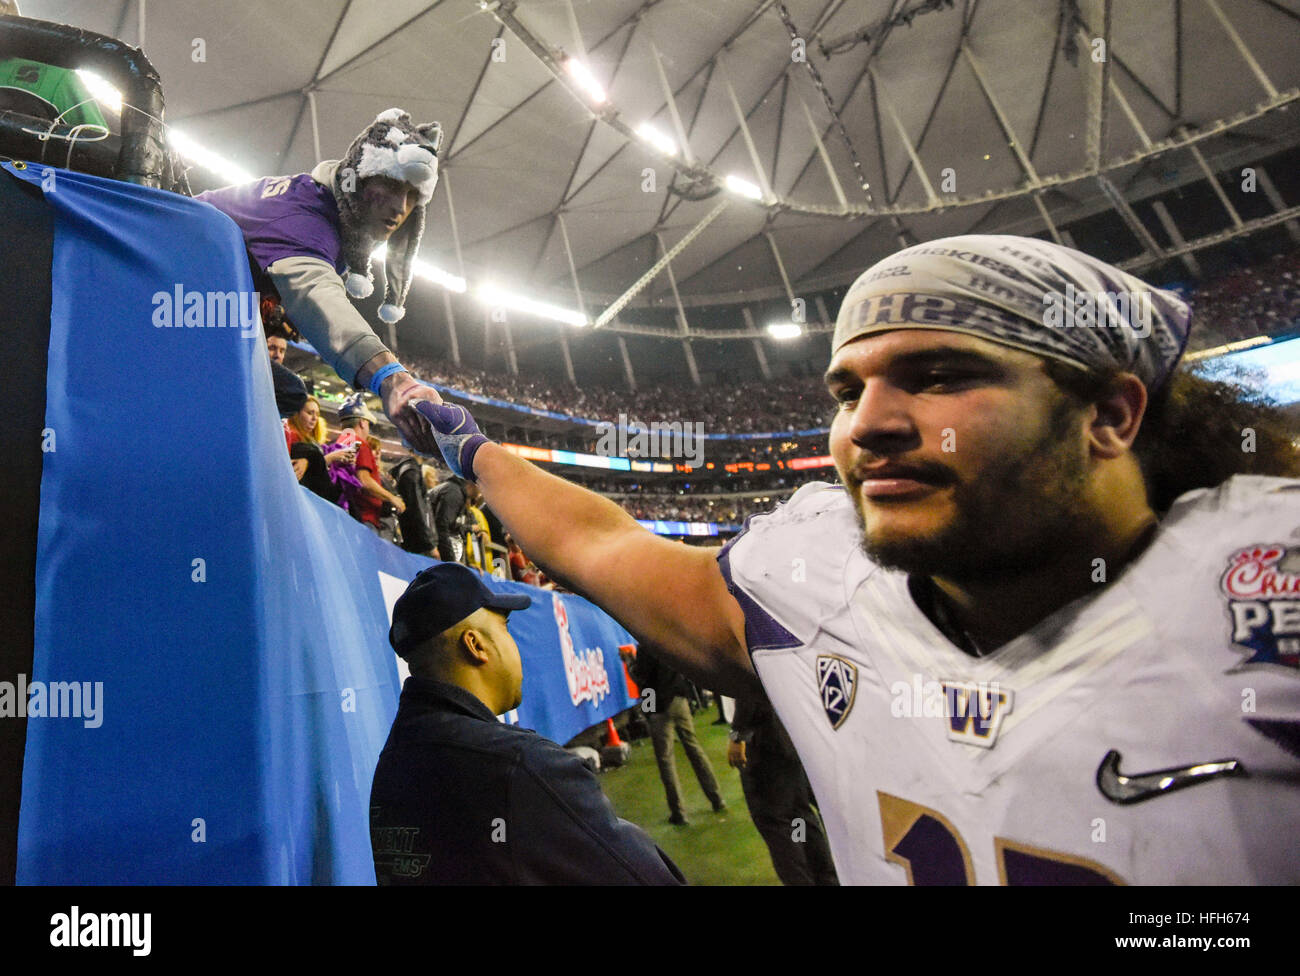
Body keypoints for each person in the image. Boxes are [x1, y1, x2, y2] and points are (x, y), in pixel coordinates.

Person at [413, 233, 1300, 885]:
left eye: (942, 375)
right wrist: (459, 440)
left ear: (1110, 414)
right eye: (848, 389)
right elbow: (604, 542)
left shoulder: (1262, 586)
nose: (868, 424)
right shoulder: (815, 578)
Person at [370, 562, 685, 885]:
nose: (513, 644)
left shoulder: (388, 770)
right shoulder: (521, 766)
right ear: (475, 645)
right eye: (505, 628)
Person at [197, 108, 446, 455]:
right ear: (358, 179)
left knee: (285, 390)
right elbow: (320, 299)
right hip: (160, 295)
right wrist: (393, 379)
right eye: (389, 185)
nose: (399, 207)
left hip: (193, 303)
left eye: (412, 195)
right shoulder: (307, 220)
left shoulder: (324, 211)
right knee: (284, 392)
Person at [728, 692, 838, 885]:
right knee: (798, 815)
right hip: (791, 736)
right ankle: (825, 879)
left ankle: (803, 880)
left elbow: (750, 687)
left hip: (766, 744)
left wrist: (737, 735)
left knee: (777, 823)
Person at [631, 646, 726, 826]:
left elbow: (642, 677)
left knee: (665, 760)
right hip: (678, 698)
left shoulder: (645, 645)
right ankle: (717, 798)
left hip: (658, 705)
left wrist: (629, 665)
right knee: (694, 749)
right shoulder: (666, 636)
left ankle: (678, 812)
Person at [337, 394, 404, 531]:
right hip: (364, 517)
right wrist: (392, 498)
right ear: (362, 422)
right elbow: (364, 480)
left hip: (345, 513)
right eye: (368, 423)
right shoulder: (360, 444)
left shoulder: (339, 443)